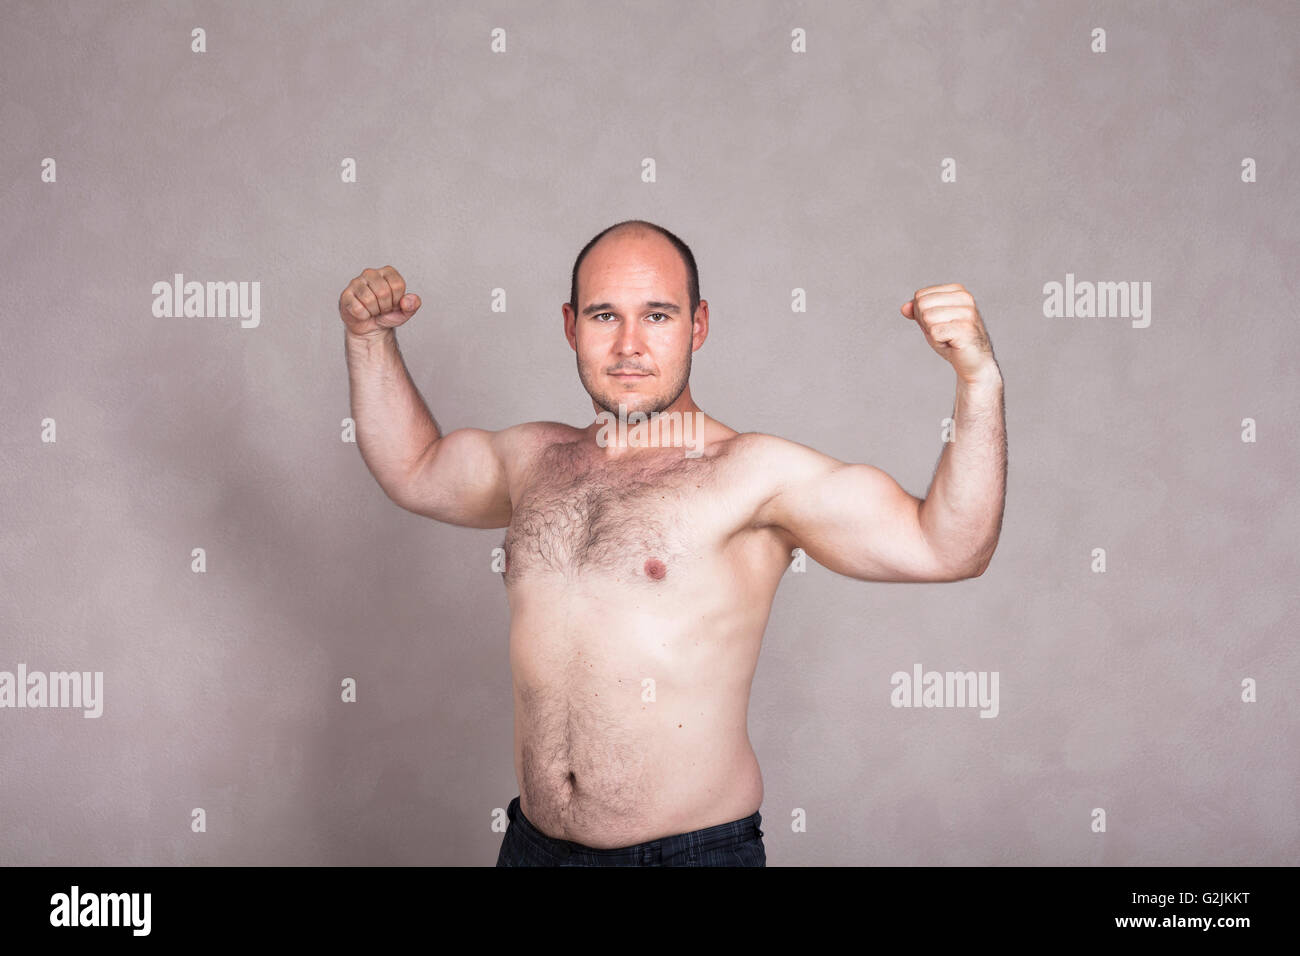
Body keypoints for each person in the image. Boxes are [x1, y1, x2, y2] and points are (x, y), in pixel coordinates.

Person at [338, 219, 1006, 866]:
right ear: (571, 326)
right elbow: (415, 468)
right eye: (604, 316)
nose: (629, 344)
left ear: (698, 325)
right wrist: (368, 338)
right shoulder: (532, 459)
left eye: (657, 315)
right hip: (532, 847)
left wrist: (978, 379)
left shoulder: (753, 473)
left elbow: (948, 548)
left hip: (689, 856)